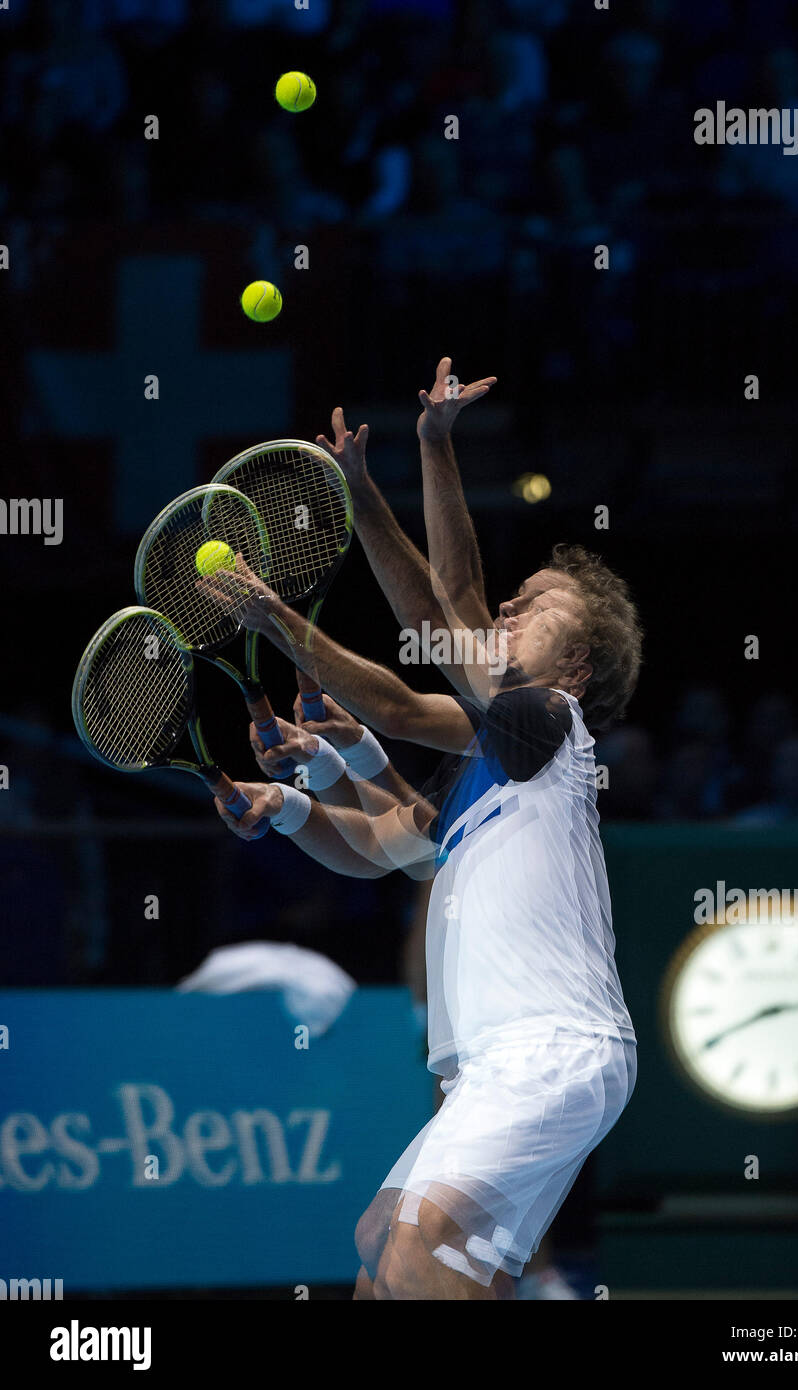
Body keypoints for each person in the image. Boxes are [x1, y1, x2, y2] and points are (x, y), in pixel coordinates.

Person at [206, 359, 642, 1298]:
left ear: (574, 666)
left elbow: (441, 609)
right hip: (500, 1065)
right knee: (382, 1249)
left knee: (412, 1254)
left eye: (535, 607)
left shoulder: (552, 727)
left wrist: (430, 449)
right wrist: (286, 804)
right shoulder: (488, 770)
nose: (510, 609)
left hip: (549, 1049)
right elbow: (380, 847)